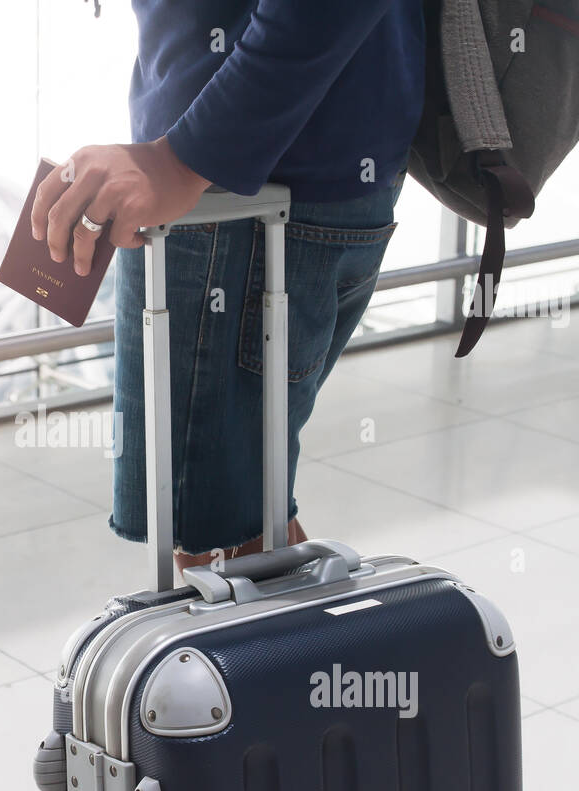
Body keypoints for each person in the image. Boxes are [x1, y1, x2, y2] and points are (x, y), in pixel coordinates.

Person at [30, 0, 424, 572]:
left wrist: (184, 158)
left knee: (221, 553)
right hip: (280, 170)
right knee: (244, 530)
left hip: (235, 193)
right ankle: (312, 656)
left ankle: (301, 660)